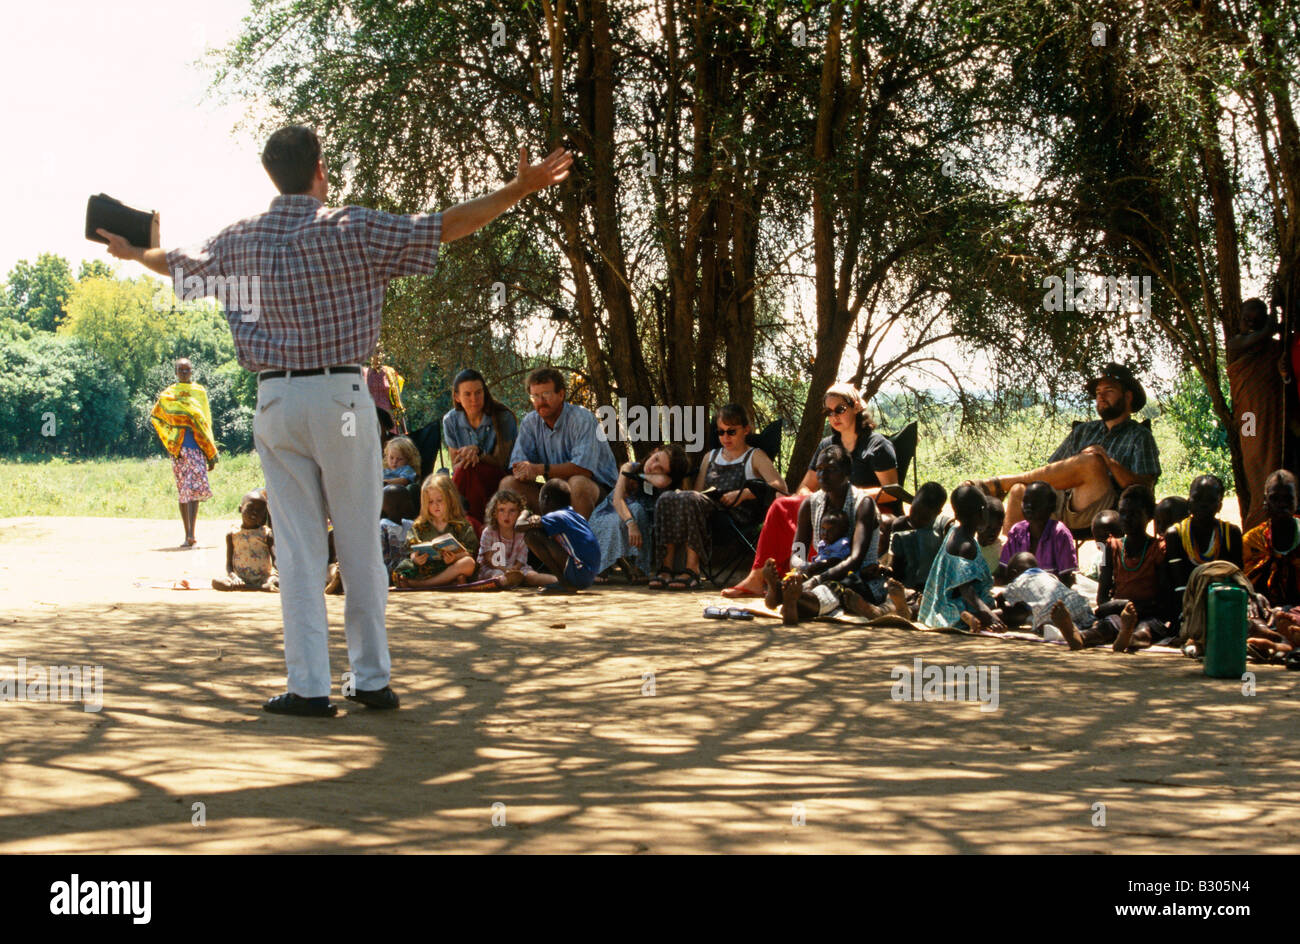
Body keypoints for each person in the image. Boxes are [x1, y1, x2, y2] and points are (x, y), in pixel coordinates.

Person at [100, 123, 573, 715]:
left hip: (277, 400)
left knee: (298, 550)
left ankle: (307, 687)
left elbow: (175, 265)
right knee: (356, 538)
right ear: (320, 169)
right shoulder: (353, 227)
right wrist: (515, 189)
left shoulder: (241, 238)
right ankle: (372, 679)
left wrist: (132, 250)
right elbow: (445, 225)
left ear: (272, 174)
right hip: (345, 400)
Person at [722, 381, 900, 598]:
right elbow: (807, 485)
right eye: (828, 412)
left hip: (863, 506)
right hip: (827, 502)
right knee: (783, 505)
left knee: (826, 518)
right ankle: (762, 576)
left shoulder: (877, 445)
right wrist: (813, 498)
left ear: (855, 407)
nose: (834, 416)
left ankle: (806, 579)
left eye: (840, 410)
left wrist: (849, 494)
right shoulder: (827, 445)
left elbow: (892, 490)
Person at [973, 363, 1160, 534]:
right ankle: (1011, 562)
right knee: (1019, 490)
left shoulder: (1140, 436)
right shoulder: (1084, 430)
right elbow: (1053, 471)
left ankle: (1000, 483)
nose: (1100, 397)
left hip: (1106, 508)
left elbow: (1143, 487)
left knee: (1092, 461)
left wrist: (1108, 462)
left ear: (1127, 397)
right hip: (1063, 500)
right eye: (1098, 392)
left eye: (1109, 391)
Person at [760, 446, 905, 625]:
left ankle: (785, 596)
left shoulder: (863, 504)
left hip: (857, 578)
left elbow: (856, 559)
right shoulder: (810, 504)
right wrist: (802, 567)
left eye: (830, 470)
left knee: (833, 590)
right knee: (801, 585)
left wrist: (817, 578)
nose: (822, 476)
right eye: (819, 470)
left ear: (847, 472)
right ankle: (786, 594)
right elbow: (798, 551)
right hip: (816, 571)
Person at [649, 404, 787, 590]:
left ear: (746, 430)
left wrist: (745, 494)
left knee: (690, 499)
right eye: (721, 432)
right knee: (667, 497)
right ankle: (666, 566)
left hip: (737, 516)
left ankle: (692, 570)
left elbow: (780, 486)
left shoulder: (755, 456)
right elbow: (697, 492)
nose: (725, 437)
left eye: (731, 432)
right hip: (707, 512)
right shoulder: (710, 456)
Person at [501, 367, 619, 519]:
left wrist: (537, 469)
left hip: (596, 489)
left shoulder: (581, 419)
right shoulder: (530, 422)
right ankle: (546, 535)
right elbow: (518, 466)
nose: (540, 402)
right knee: (508, 484)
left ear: (561, 394)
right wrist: (525, 473)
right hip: (549, 486)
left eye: (546, 394)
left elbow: (584, 470)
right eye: (535, 396)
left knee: (577, 484)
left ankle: (580, 540)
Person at [1227, 298, 1287, 530]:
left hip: (1271, 418)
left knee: (1274, 462)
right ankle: (1257, 519)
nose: (1251, 324)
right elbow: (1264, 333)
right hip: (1248, 419)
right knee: (1253, 464)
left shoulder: (1273, 349)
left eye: (1257, 320)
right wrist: (1271, 323)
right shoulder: (1236, 344)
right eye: (1246, 319)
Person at [588, 444, 688, 582]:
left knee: (638, 510)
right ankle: (601, 567)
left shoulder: (666, 488)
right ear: (655, 451)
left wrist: (657, 480)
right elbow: (618, 501)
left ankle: (640, 568)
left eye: (661, 470)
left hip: (643, 522)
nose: (653, 467)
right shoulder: (629, 468)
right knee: (631, 511)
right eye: (656, 459)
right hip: (611, 514)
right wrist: (631, 524)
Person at [1096, 484, 1174, 651]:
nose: (1126, 519)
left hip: (1149, 614)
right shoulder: (1111, 547)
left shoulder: (1158, 549)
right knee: (1102, 628)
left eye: (1134, 514)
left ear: (1149, 516)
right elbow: (1101, 597)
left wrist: (1129, 607)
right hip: (1119, 613)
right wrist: (1118, 607)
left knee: (1144, 632)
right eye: (1122, 513)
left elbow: (1164, 601)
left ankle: (1128, 638)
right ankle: (1079, 636)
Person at [150, 358, 218, 548]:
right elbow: (157, 416)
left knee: (193, 490)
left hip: (197, 447)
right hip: (179, 449)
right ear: (176, 372)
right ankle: (187, 533)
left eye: (187, 370)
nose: (184, 373)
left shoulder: (199, 392)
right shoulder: (169, 394)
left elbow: (206, 421)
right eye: (181, 370)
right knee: (184, 490)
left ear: (192, 371)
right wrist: (170, 442)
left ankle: (191, 533)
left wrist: (210, 450)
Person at [442, 368, 519, 524]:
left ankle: (457, 521)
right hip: (466, 477)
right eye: (467, 394)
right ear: (457, 397)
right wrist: (468, 456)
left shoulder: (503, 417)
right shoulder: (451, 420)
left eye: (478, 392)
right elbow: (455, 463)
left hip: (498, 477)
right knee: (464, 468)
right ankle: (471, 524)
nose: (474, 399)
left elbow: (502, 462)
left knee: (468, 469)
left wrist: (478, 453)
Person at [920, 484, 1000, 630]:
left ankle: (971, 618)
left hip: (943, 607)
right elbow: (966, 590)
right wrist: (990, 615)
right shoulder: (967, 546)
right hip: (959, 607)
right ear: (982, 513)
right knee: (1009, 612)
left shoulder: (953, 532)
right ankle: (970, 618)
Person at [1163, 474, 1244, 610]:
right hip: (1186, 606)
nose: (1203, 505)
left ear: (1219, 506)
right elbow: (1178, 585)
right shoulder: (1175, 535)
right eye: (1198, 498)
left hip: (1224, 604)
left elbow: (1237, 576)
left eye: (1211, 500)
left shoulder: (1231, 533)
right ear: (1189, 502)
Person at [993, 551, 1103, 647]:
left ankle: (1059, 632)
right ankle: (1086, 628)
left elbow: (1002, 596)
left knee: (1044, 619)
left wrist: (1000, 603)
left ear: (1014, 573)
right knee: (1084, 621)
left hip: (1055, 613)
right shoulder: (1050, 576)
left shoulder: (1020, 581)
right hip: (1079, 604)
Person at [515, 479, 602, 594]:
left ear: (545, 499)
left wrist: (525, 512)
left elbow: (518, 526)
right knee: (541, 532)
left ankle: (563, 582)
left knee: (532, 535)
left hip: (579, 573)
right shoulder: (574, 515)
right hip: (589, 574)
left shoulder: (557, 516)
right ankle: (565, 582)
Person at [393, 474, 480, 588]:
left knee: (468, 563)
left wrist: (454, 557)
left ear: (450, 499)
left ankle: (423, 585)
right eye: (430, 502)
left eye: (439, 500)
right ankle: (449, 583)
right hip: (427, 568)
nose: (435, 505)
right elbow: (411, 550)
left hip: (450, 566)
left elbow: (470, 552)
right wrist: (416, 559)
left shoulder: (461, 525)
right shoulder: (420, 525)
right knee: (400, 573)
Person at [995, 480, 1078, 586]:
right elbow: (1004, 571)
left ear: (1051, 506)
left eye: (1036, 502)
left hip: (1052, 595)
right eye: (1025, 501)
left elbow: (1067, 578)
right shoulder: (1017, 531)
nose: (1029, 506)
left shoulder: (1060, 533)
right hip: (1020, 593)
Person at [1242, 469, 1300, 606]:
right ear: (1265, 501)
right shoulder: (1252, 541)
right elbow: (1244, 588)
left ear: (1297, 500)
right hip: (1264, 613)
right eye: (1275, 498)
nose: (1281, 504)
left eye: (1288, 498)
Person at [476, 488, 555, 589]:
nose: (506, 515)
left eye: (512, 511)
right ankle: (507, 582)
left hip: (516, 568)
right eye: (501, 510)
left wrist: (515, 569)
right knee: (498, 576)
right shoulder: (489, 532)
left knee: (532, 576)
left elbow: (521, 559)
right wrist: (505, 570)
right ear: (494, 513)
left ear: (519, 513)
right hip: (493, 568)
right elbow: (488, 558)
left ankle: (558, 581)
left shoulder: (521, 533)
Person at [887, 481, 951, 592]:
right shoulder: (900, 525)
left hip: (933, 588)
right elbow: (896, 567)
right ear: (913, 499)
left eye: (924, 518)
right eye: (914, 511)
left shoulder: (942, 526)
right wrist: (886, 570)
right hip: (906, 587)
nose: (916, 519)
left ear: (938, 512)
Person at [213, 490, 277, 591]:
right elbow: (229, 565)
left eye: (260, 510)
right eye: (250, 508)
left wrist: (273, 576)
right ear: (240, 508)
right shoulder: (232, 534)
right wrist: (234, 577)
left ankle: (260, 586)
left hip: (263, 578)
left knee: (277, 581)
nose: (254, 513)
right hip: (241, 579)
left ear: (265, 513)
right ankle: (257, 588)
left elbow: (275, 560)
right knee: (216, 581)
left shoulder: (266, 534)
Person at [363, 348, 407, 441]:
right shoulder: (364, 373)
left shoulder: (390, 373)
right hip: (369, 421)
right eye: (376, 352)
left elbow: (397, 402)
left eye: (381, 352)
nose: (378, 355)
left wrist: (405, 431)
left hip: (389, 422)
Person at [379, 485, 418, 583]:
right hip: (390, 572)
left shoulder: (409, 525)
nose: (411, 504)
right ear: (395, 507)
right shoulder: (382, 528)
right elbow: (383, 560)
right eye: (407, 501)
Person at [978, 496, 1005, 574]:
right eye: (988, 527)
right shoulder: (971, 546)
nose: (993, 533)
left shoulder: (1002, 548)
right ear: (978, 524)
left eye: (997, 528)